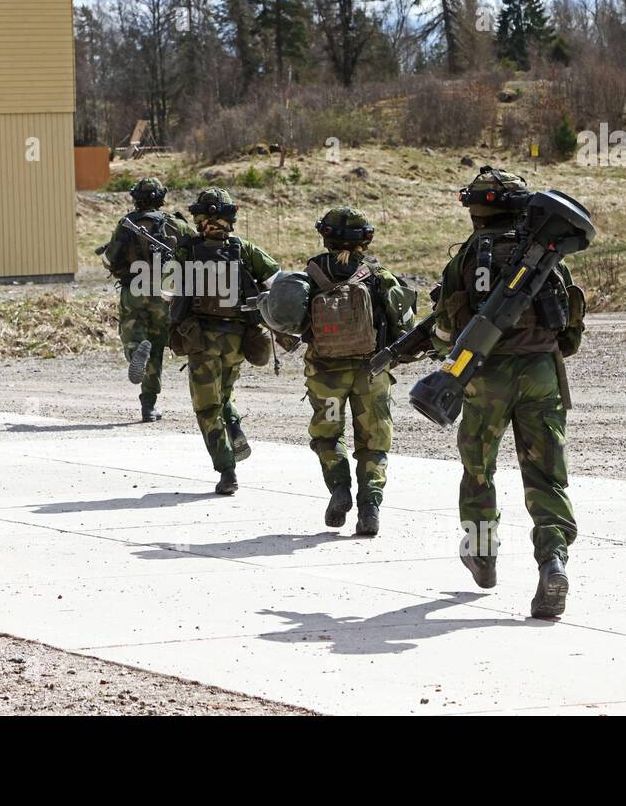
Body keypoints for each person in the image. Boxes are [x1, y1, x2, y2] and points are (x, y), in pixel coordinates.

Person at [430, 167, 587, 618]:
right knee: (546, 477)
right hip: (541, 374)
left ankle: (482, 554)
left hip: (484, 377)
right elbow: (570, 333)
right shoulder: (548, 254)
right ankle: (553, 560)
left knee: (478, 470)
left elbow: (444, 330)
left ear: (476, 210)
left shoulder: (466, 258)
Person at [300, 207, 415, 536]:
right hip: (372, 372)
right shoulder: (379, 275)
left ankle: (339, 489)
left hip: (325, 375)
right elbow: (405, 326)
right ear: (366, 239)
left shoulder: (311, 272)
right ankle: (370, 509)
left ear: (325, 236)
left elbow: (291, 319)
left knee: (327, 435)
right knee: (374, 442)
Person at [169, 187, 279, 495]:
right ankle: (234, 427)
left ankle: (227, 469)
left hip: (201, 339)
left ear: (200, 219)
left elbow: (166, 291)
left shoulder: (187, 249)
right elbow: (276, 281)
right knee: (224, 394)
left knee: (207, 407)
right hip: (237, 339)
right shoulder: (244, 249)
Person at [99, 177, 195, 421]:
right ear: (161, 197)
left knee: (134, 338)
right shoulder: (175, 224)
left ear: (135, 198)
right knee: (156, 348)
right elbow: (195, 251)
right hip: (165, 292)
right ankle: (149, 406)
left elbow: (109, 261)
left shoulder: (126, 224)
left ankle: (134, 353)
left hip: (134, 290)